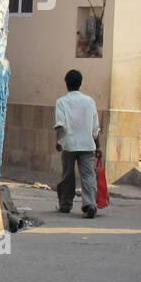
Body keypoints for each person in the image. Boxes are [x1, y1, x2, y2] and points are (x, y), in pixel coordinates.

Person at [54, 69, 102, 218]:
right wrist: (98, 146)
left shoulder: (62, 102)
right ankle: (89, 204)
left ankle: (66, 204)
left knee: (68, 175)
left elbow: (60, 124)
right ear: (80, 84)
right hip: (87, 144)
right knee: (88, 175)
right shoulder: (89, 101)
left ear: (66, 84)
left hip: (69, 144)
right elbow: (95, 127)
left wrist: (58, 140)